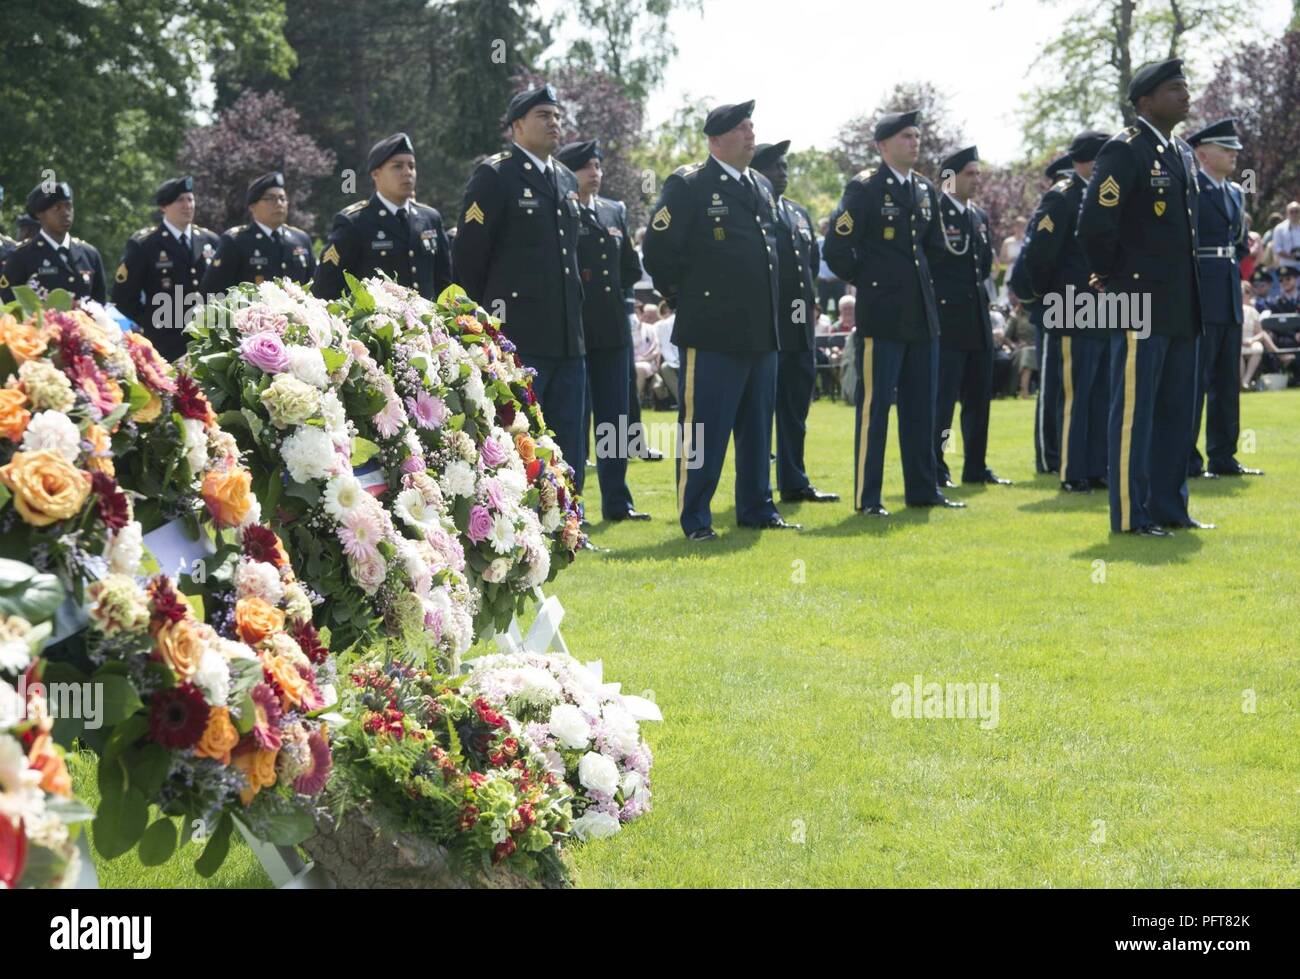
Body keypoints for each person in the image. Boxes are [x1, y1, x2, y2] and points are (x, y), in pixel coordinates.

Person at [642, 99, 795, 540]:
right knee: (702, 433)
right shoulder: (690, 184)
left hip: (760, 333)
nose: (751, 134)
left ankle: (757, 507)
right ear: (715, 140)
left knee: (755, 430)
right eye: (742, 128)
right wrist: (682, 297)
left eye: (752, 127)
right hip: (711, 332)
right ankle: (696, 519)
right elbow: (658, 249)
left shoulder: (761, 187)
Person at [1077, 58, 1213, 535]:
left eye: (1186, 87)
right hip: (1138, 302)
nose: (1186, 95)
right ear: (1145, 101)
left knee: (1177, 411)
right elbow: (1095, 222)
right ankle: (1131, 514)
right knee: (1135, 412)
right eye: (1175, 88)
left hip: (1181, 303)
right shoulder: (1125, 149)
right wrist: (1111, 280)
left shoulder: (1181, 152)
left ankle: (1170, 507)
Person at [823, 109, 963, 515]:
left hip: (921, 315)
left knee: (923, 408)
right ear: (882, 146)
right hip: (881, 316)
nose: (914, 142)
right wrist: (871, 281)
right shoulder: (864, 188)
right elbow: (836, 249)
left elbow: (934, 249)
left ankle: (923, 490)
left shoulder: (923, 189)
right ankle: (868, 499)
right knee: (876, 409)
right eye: (905, 136)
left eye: (917, 135)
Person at [452, 86, 588, 499]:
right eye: (544, 115)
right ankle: (521, 525)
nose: (554, 123)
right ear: (517, 126)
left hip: (568, 334)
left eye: (557, 116)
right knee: (521, 436)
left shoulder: (565, 178)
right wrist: (480, 329)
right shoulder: (496, 175)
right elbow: (470, 258)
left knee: (569, 440)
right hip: (519, 336)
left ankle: (570, 524)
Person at [557, 139, 649, 521]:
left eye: (597, 166)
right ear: (568, 174)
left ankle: (618, 501)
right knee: (575, 422)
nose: (594, 173)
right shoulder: (562, 210)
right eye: (585, 167)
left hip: (612, 332)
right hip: (574, 329)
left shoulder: (614, 211)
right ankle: (570, 507)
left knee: (616, 420)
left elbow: (629, 267)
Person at [1021, 129, 1111, 492]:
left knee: (1102, 391)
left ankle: (1098, 467)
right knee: (1076, 393)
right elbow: (1038, 256)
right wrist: (1049, 298)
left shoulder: (1108, 195)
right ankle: (1072, 471)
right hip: (1070, 305)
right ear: (1084, 163)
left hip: (1106, 307)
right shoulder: (1062, 198)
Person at [752, 140, 838, 504]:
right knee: (759, 416)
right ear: (758, 171)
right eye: (775, 167)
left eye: (785, 166)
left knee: (795, 412)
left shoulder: (798, 213)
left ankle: (794, 480)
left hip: (799, 329)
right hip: (767, 329)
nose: (782, 173)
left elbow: (810, 268)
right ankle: (757, 490)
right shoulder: (755, 211)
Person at [929, 145, 1010, 488]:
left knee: (979, 399)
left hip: (977, 319)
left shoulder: (977, 217)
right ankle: (939, 464)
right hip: (948, 322)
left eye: (978, 173)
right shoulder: (934, 214)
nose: (977, 180)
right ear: (950, 178)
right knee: (944, 402)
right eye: (970, 174)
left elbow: (983, 270)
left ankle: (976, 465)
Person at [1185, 119, 1261, 478]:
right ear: (1202, 153)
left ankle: (1224, 455)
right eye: (1225, 148)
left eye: (1234, 149)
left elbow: (1240, 245)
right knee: (1195, 381)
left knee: (1227, 382)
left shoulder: (1235, 192)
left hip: (1229, 290)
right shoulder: (1191, 188)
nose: (1233, 154)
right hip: (1201, 290)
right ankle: (1187, 458)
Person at [313, 133, 452, 302]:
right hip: (375, 326)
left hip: (428, 326)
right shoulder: (355, 222)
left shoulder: (430, 218)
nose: (407, 172)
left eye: (411, 166)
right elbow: (325, 288)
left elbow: (445, 285)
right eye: (397, 166)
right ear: (376, 174)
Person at [111, 175, 219, 360]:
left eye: (190, 199)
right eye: (180, 200)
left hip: (205, 342)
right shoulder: (145, 244)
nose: (188, 205)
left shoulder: (210, 240)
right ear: (164, 206)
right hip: (164, 343)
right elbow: (123, 297)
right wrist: (150, 322)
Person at [201, 171, 316, 294]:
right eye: (270, 199)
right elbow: (213, 290)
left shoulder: (300, 239)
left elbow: (314, 287)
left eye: (282, 198)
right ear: (252, 206)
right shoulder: (236, 241)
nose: (279, 203)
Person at [1, 180, 107, 306]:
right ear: (40, 214)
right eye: (57, 208)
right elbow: (9, 307)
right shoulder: (22, 256)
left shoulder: (89, 255)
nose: (66, 213)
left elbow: (100, 307)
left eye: (69, 206)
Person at [1241, 280, 1292, 387]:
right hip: (1238, 342)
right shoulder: (1236, 309)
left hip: (1252, 340)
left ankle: (1245, 381)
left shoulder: (1254, 309)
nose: (1242, 296)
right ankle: (1279, 355)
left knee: (1260, 344)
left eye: (1245, 292)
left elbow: (1261, 330)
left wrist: (1251, 340)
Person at [1269, 201, 1300, 274]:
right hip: (1286, 266)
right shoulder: (1280, 228)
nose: (1294, 213)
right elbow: (1277, 248)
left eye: (1297, 211)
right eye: (1291, 211)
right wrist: (1291, 257)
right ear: (1287, 213)